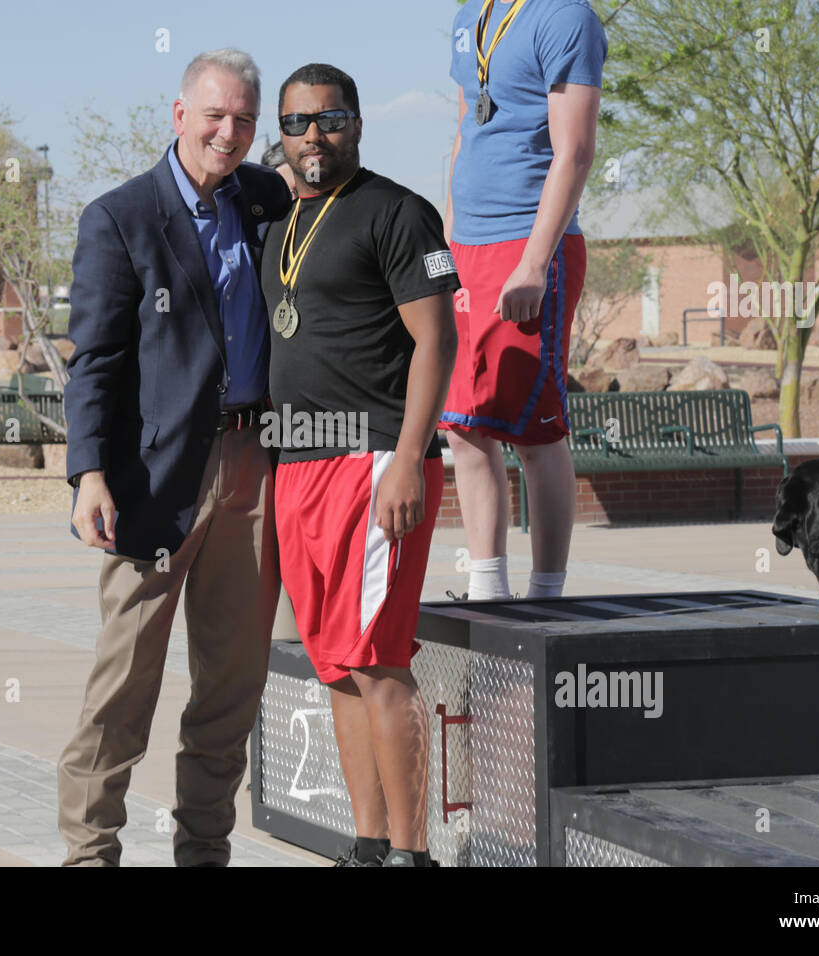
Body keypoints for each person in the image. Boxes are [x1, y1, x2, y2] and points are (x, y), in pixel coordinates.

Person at [57, 49, 292, 866]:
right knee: (123, 688)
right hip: (154, 481)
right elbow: (96, 358)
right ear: (179, 114)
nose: (228, 133)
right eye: (215, 115)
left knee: (231, 685)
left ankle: (203, 852)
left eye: (244, 121)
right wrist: (88, 473)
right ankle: (90, 854)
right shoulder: (119, 217)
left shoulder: (263, 197)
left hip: (252, 468)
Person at [261, 63, 460, 867]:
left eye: (330, 118)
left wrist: (410, 456)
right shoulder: (279, 217)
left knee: (378, 665)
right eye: (298, 121)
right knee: (335, 668)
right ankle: (368, 848)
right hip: (298, 467)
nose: (314, 135)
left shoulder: (398, 212)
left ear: (358, 123)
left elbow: (437, 342)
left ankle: (415, 855)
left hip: (375, 460)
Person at [440, 0, 606, 601]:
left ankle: (545, 597)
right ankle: (487, 590)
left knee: (534, 430)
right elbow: (465, 131)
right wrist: (447, 250)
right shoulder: (470, 17)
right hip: (469, 247)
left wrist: (535, 261)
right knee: (463, 423)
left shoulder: (566, 17)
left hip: (530, 244)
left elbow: (576, 150)